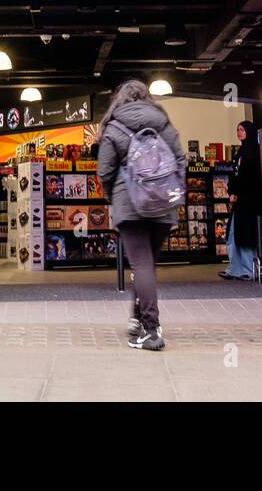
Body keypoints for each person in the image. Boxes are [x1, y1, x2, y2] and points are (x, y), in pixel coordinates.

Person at [97, 79, 187, 351]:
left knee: (141, 266)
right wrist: (172, 192)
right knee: (147, 265)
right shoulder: (163, 122)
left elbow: (105, 171)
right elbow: (181, 161)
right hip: (162, 204)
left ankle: (151, 329)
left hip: (130, 204)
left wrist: (113, 197)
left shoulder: (113, 126)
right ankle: (137, 320)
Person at [219, 121, 261, 281]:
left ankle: (246, 269)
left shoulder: (252, 151)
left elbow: (247, 176)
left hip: (249, 201)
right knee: (235, 234)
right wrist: (233, 191)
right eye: (237, 129)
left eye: (242, 130)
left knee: (243, 235)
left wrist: (235, 191)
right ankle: (236, 268)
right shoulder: (243, 151)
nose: (239, 132)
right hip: (242, 200)